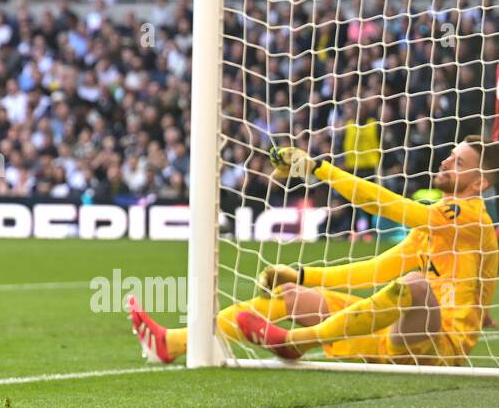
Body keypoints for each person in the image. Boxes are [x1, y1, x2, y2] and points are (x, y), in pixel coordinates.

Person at [130, 138, 499, 367]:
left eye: (460, 162)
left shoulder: (470, 218)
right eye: (451, 156)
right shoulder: (431, 230)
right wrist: (301, 275)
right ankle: (172, 343)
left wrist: (321, 169)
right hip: (388, 338)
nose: (447, 162)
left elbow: (389, 206)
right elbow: (370, 272)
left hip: (439, 348)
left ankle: (294, 343)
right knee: (291, 297)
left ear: (480, 183)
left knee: (417, 285)